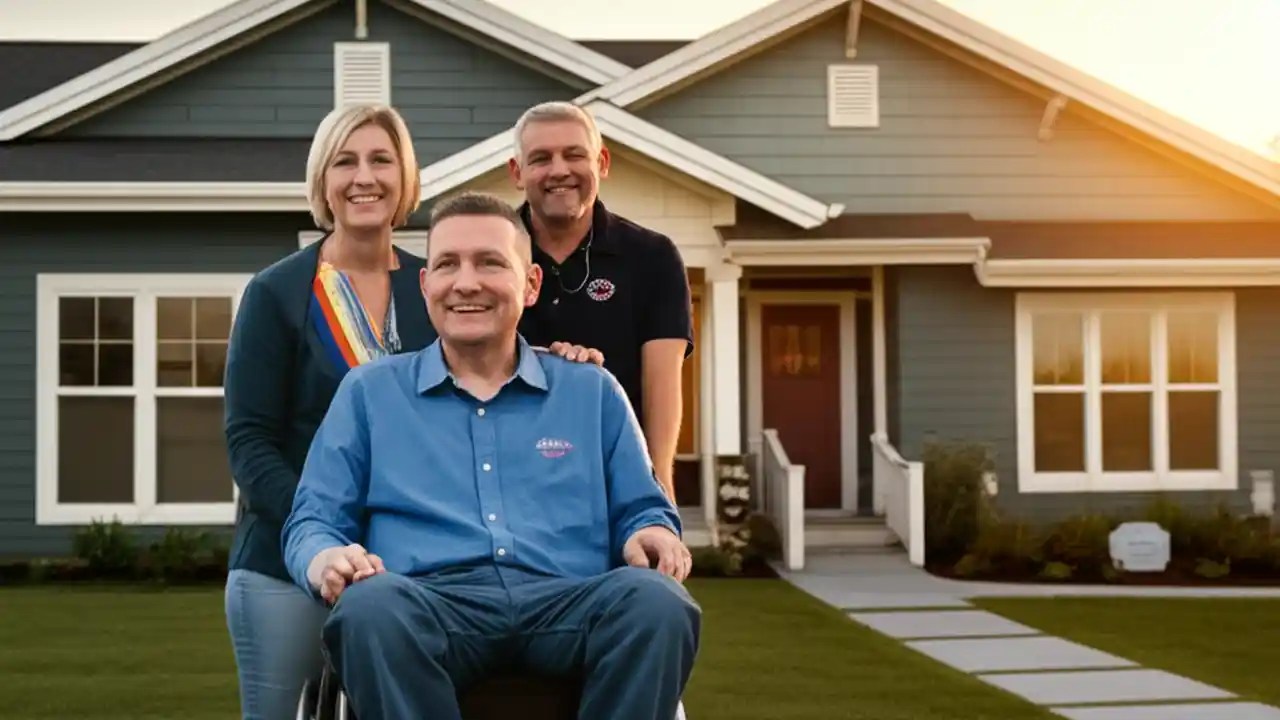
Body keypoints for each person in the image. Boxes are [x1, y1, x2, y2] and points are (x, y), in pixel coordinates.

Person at [222, 105, 600, 720]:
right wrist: (324, 538)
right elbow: (249, 440)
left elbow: (505, 360)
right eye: (345, 162)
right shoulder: (278, 292)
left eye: (381, 160)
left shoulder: (441, 280)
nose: (363, 177)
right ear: (322, 180)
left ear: (406, 178)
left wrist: (567, 356)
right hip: (285, 566)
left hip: (416, 574)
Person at [281, 191, 701, 720]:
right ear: (425, 284)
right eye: (448, 264)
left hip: (569, 601)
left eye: (490, 263)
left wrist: (654, 532)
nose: (466, 283)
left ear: (530, 285)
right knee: (369, 608)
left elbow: (645, 507)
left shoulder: (591, 391)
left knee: (658, 603)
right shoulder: (369, 394)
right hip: (426, 603)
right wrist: (324, 558)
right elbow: (311, 521)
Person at [508, 102, 694, 503]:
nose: (559, 170)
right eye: (541, 158)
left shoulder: (652, 256)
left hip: (614, 483)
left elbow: (661, 386)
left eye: (574, 154)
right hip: (506, 482)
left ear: (602, 161)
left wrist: (660, 489)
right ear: (517, 173)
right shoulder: (489, 255)